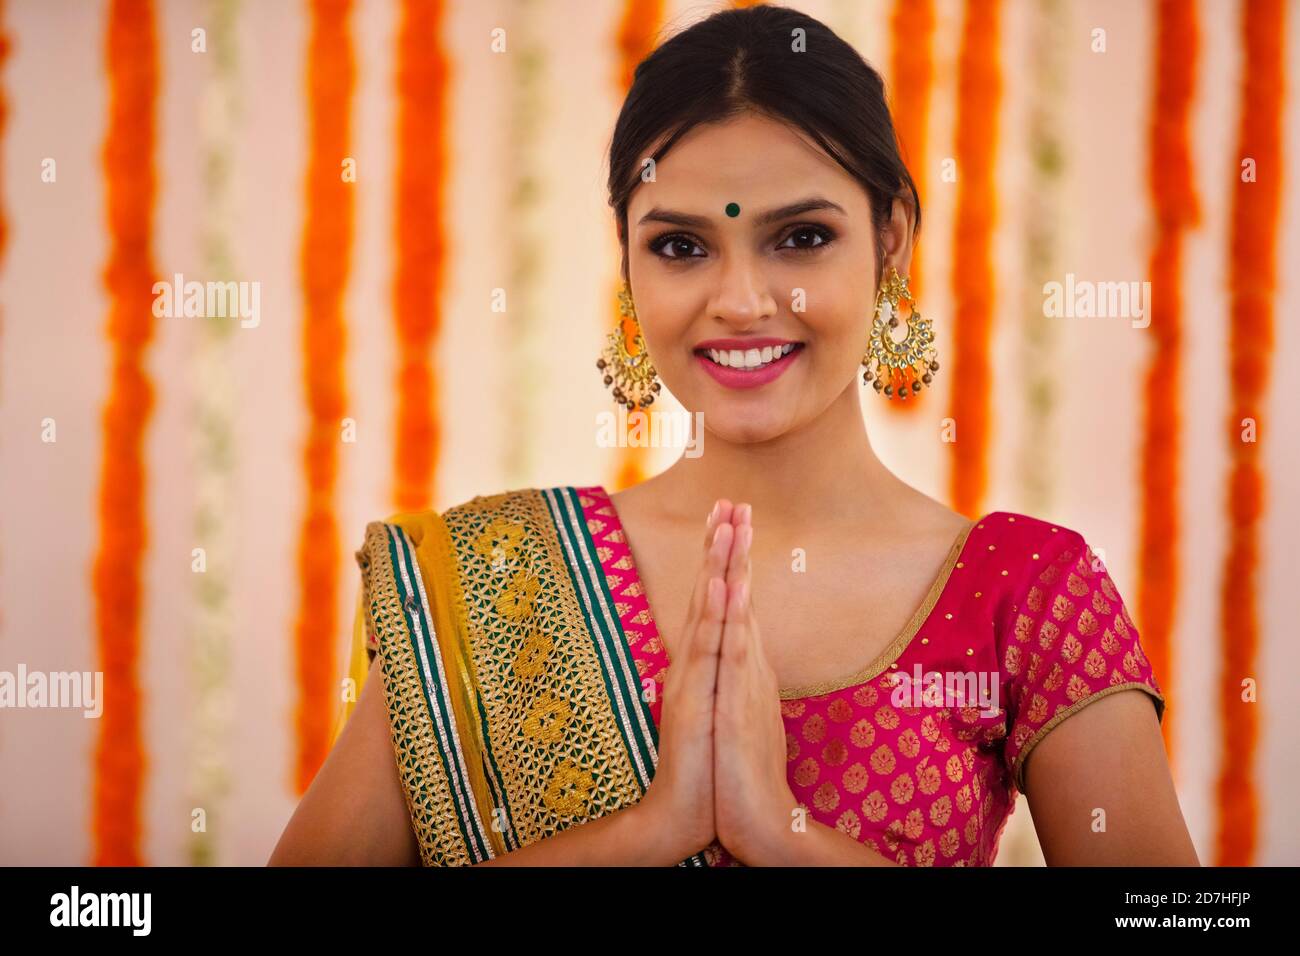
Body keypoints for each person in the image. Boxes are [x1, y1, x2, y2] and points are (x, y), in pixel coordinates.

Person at [269, 5, 1198, 867]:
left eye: (799, 238)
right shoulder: (485, 580)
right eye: (681, 246)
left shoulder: (1027, 593)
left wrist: (785, 836)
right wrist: (650, 831)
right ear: (628, 262)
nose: (743, 302)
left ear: (892, 242)